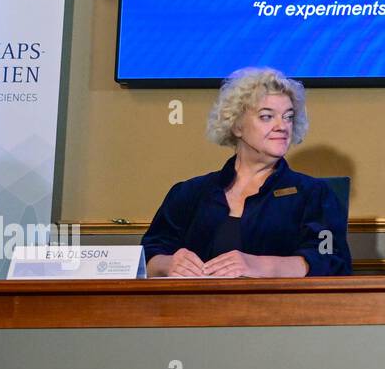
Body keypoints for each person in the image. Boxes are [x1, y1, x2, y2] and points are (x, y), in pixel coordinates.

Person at [142, 67, 352, 277]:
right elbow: (148, 257)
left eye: (288, 117)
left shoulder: (315, 194)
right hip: (192, 308)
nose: (282, 126)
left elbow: (332, 260)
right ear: (237, 126)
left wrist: (260, 266)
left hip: (280, 309)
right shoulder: (189, 193)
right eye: (267, 116)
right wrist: (169, 264)